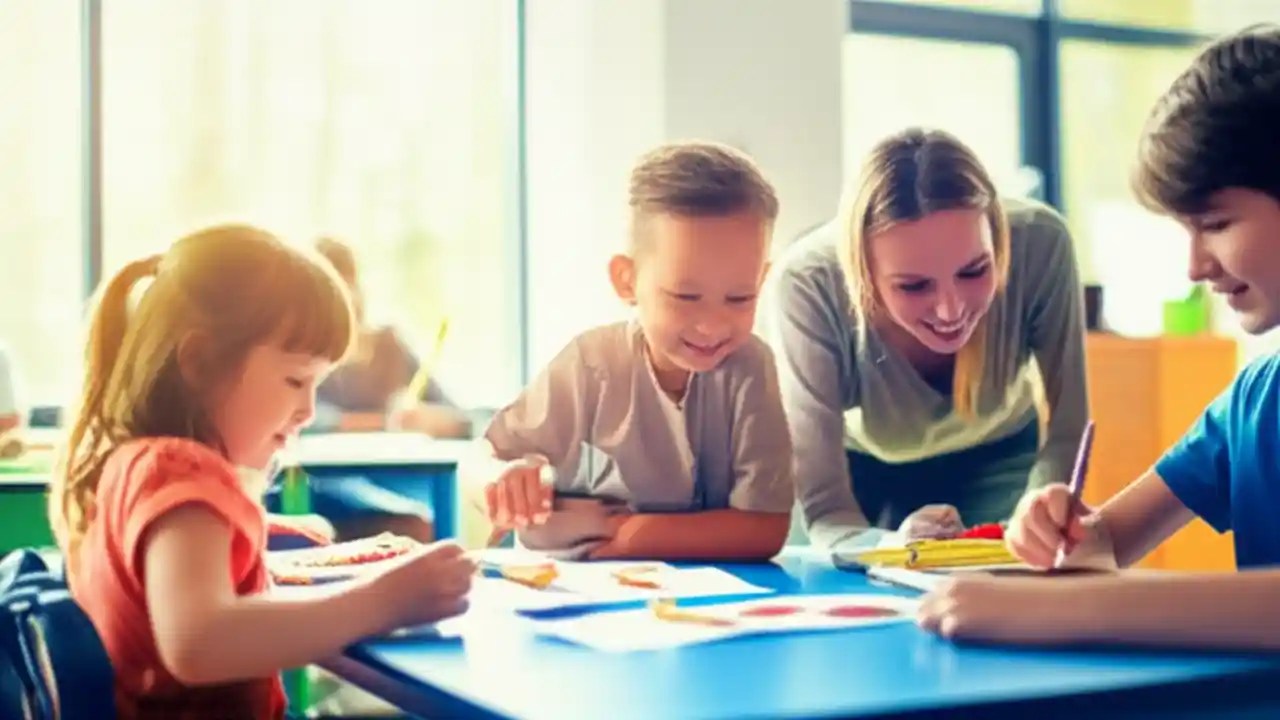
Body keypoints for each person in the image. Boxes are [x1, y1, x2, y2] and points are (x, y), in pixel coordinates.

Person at [917, 24, 1280, 650]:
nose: (1195, 265)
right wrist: (1056, 529)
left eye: (1215, 224)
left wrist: (1054, 609)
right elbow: (1109, 539)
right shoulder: (1253, 401)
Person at [48, 225, 473, 719]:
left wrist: (335, 563)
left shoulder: (135, 464)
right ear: (200, 362)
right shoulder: (179, 472)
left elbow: (207, 589)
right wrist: (384, 602)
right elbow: (199, 642)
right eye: (295, 380)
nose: (309, 410)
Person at [462, 141, 794, 560]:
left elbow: (764, 529)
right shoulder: (590, 364)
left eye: (740, 298)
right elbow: (477, 462)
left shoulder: (750, 368)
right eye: (686, 296)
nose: (713, 325)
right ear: (626, 280)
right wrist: (499, 480)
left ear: (761, 281)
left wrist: (634, 535)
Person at [767, 127, 1089, 549]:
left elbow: (1070, 428)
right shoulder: (806, 282)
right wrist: (890, 548)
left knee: (1003, 590)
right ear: (864, 273)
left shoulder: (1042, 241)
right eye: (914, 286)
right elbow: (828, 513)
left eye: (974, 272)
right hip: (852, 463)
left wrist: (1041, 513)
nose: (951, 311)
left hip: (999, 453)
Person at [311, 236, 471, 440]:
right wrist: (386, 421)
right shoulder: (308, 359)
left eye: (351, 284)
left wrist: (430, 419)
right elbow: (308, 420)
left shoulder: (390, 348)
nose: (348, 297)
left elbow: (459, 417)